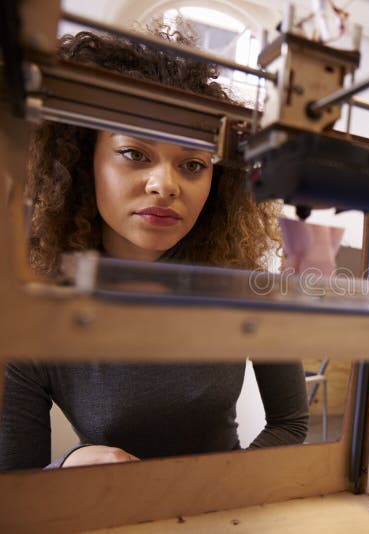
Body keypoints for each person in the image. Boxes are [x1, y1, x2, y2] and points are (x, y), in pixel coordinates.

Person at [0, 29, 309, 470]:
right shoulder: (31, 310)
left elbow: (290, 423)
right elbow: (14, 485)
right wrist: (68, 468)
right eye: (134, 153)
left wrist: (214, 489)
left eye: (192, 164)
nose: (164, 185)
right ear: (84, 160)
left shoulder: (244, 283)